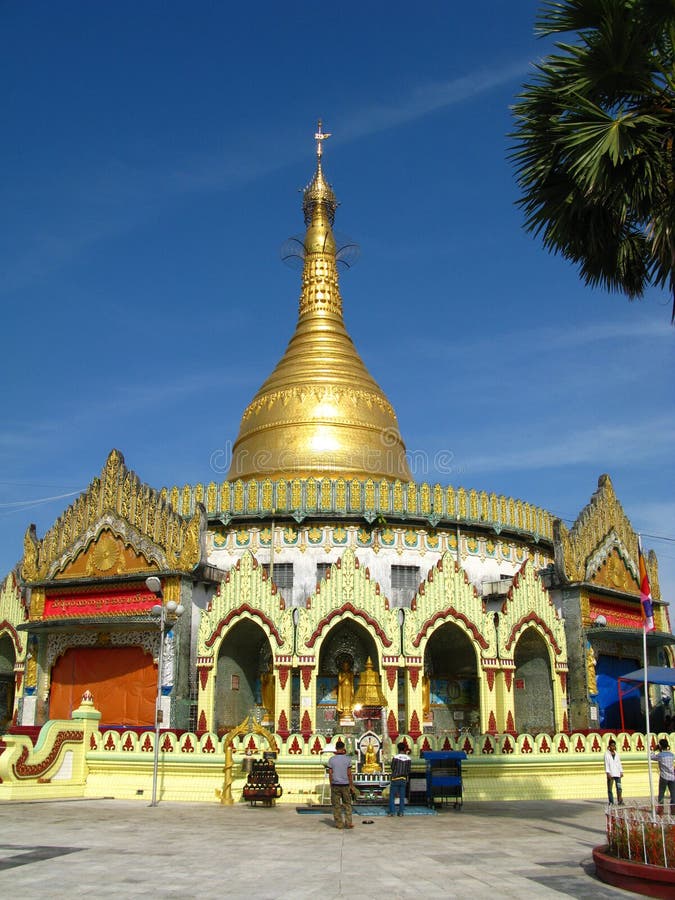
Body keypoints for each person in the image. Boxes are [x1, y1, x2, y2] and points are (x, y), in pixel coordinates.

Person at [327, 739, 354, 829]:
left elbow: (330, 773)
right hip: (345, 784)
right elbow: (349, 773)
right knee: (347, 804)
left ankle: (339, 824)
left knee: (336, 805)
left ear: (336, 748)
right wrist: (351, 785)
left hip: (335, 784)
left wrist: (331, 784)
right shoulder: (348, 759)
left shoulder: (331, 760)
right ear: (343, 749)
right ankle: (348, 822)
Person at [388, 741, 412, 817]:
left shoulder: (395, 757)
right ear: (405, 749)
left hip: (395, 778)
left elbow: (392, 767)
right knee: (402, 796)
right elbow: (409, 769)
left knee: (392, 796)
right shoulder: (408, 758)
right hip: (403, 779)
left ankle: (392, 812)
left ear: (397, 748)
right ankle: (401, 812)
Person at [651, 738, 675, 807]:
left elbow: (651, 757)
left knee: (661, 793)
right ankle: (673, 809)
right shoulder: (671, 755)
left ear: (660, 746)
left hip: (663, 776)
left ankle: (661, 808)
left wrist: (654, 750)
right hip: (672, 777)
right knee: (673, 793)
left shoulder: (660, 755)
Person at [604, 739, 623, 805]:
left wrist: (621, 771)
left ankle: (620, 800)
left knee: (619, 788)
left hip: (617, 773)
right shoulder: (607, 754)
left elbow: (619, 763)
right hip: (611, 773)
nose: (613, 747)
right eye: (612, 746)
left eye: (614, 746)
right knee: (610, 789)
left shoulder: (617, 754)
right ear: (609, 746)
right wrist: (607, 773)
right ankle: (611, 801)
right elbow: (606, 763)